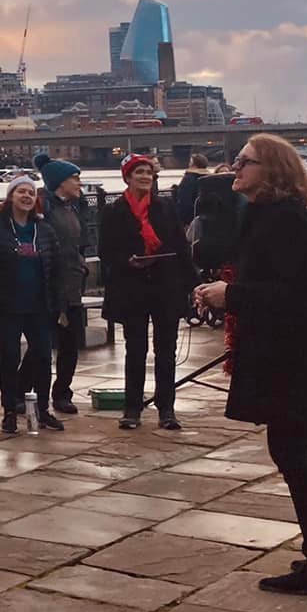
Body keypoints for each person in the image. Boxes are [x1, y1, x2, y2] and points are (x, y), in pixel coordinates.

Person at [195, 135, 307, 595]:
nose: (234, 167)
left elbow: (292, 293)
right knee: (306, 449)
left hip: (287, 354)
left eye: (244, 162)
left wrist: (229, 295)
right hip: (281, 350)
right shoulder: (263, 214)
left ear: (270, 170)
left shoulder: (285, 218)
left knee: (293, 453)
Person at [99, 155, 191, 430]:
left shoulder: (165, 207)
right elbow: (106, 251)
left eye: (148, 173)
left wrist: (191, 284)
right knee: (135, 349)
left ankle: (167, 409)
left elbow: (180, 246)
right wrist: (127, 260)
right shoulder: (114, 211)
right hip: (133, 288)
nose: (144, 177)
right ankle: (132, 409)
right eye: (139, 172)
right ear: (127, 177)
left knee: (166, 350)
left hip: (165, 286)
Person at [0, 178, 66, 435]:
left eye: (30, 192)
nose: (26, 196)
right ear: (10, 197)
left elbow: (56, 268)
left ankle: (43, 409)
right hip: (8, 307)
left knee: (42, 357)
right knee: (10, 357)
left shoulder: (44, 229)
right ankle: (9, 411)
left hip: (39, 305)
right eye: (21, 192)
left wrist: (58, 302)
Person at [38, 161, 88, 415]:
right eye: (75, 178)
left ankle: (62, 393)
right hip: (53, 287)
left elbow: (76, 246)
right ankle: (28, 391)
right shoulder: (46, 208)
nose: (79, 183)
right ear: (61, 182)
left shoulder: (72, 208)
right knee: (44, 345)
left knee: (71, 344)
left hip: (73, 285)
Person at [174, 155, 211, 226]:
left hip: (190, 219)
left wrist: (181, 219)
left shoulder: (189, 178)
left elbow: (184, 200)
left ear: (193, 164)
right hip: (205, 217)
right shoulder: (208, 178)